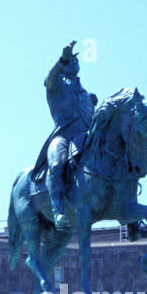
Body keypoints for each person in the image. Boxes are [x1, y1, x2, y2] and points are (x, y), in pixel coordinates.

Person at [39, 40, 97, 231]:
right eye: (70, 61)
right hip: (63, 136)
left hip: (84, 139)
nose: (74, 62)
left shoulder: (87, 95)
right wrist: (62, 59)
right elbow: (50, 78)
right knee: (57, 164)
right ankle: (58, 211)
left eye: (75, 60)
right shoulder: (55, 87)